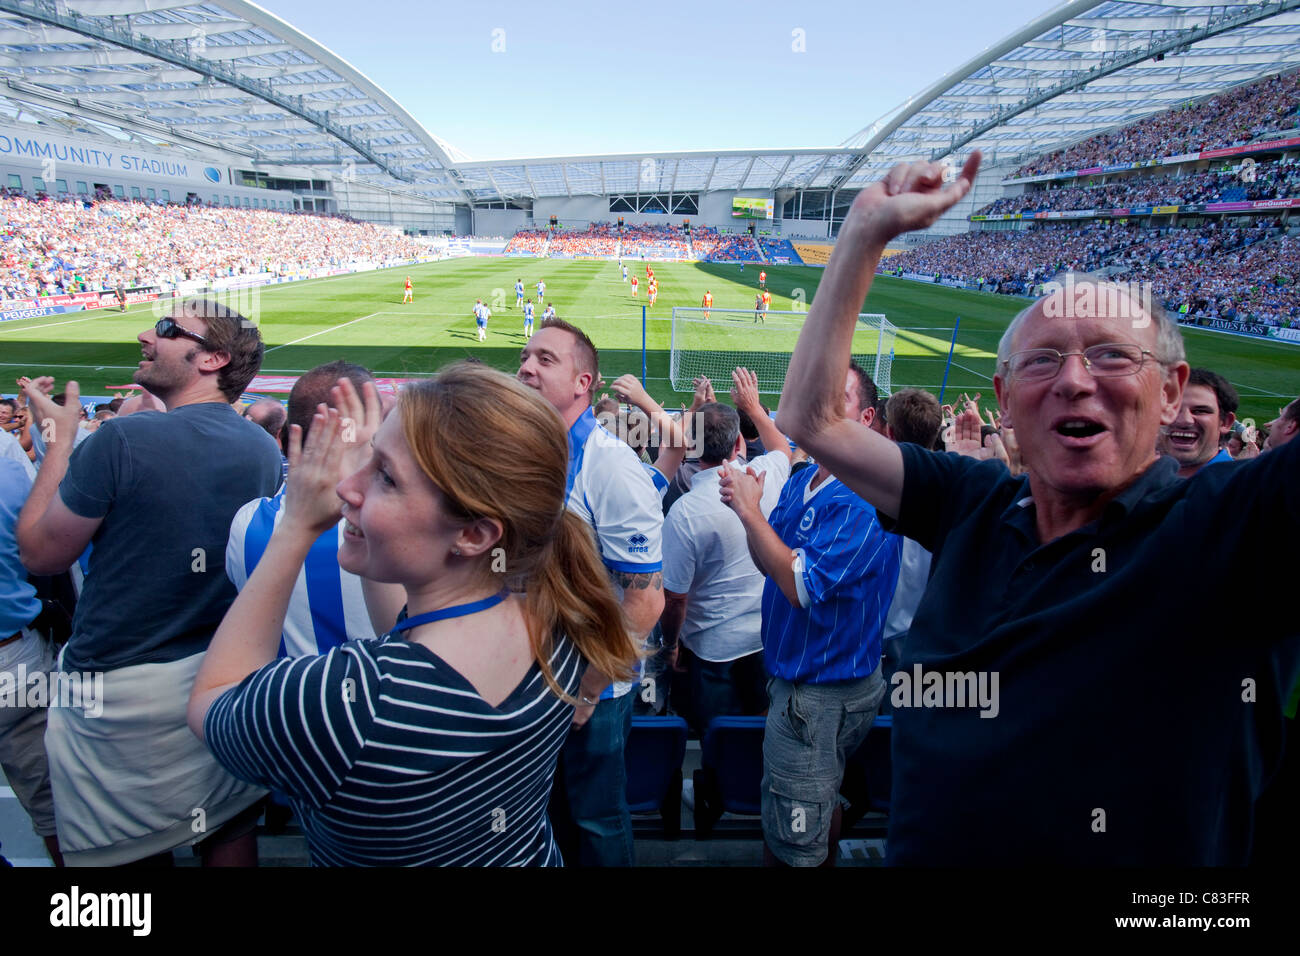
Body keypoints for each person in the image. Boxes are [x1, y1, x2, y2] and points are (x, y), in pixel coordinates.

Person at [775, 149, 1300, 865]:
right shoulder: (972, 501)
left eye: (1112, 355)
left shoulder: (1234, 525)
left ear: (1172, 392)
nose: (1075, 381)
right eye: (1043, 360)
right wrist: (863, 232)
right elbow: (811, 419)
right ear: (1004, 402)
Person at [190, 362, 639, 866]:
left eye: (384, 476)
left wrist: (294, 528)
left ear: (474, 535)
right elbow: (404, 630)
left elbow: (211, 700)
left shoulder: (340, 703)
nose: (345, 488)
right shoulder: (559, 624)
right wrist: (368, 492)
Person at [16, 299, 282, 866]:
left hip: (118, 681)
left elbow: (40, 553)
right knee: (228, 825)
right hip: (219, 671)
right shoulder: (260, 445)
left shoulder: (122, 440)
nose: (145, 334)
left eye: (166, 329)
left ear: (213, 357)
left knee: (119, 850)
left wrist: (60, 443)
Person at [722, 361, 901, 868]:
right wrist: (751, 514)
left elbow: (800, 585)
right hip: (805, 684)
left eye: (836, 397)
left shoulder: (865, 498)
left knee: (793, 841)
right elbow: (771, 562)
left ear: (865, 418)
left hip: (819, 693)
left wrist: (751, 512)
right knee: (814, 800)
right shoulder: (808, 479)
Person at [518, 317, 664, 867]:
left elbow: (645, 600)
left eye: (545, 360)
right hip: (531, 677)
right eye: (526, 357)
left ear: (584, 383)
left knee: (595, 820)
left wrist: (588, 691)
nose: (526, 367)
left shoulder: (613, 468)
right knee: (545, 816)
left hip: (588, 688)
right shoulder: (526, 454)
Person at [662, 368, 792, 734]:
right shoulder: (766, 473)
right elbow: (781, 447)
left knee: (716, 740)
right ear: (739, 445)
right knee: (757, 738)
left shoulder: (685, 512)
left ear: (692, 448)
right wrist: (753, 407)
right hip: (766, 640)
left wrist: (670, 646)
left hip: (709, 651)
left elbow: (674, 599)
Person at [227, 363, 378, 659]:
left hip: (278, 698)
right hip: (378, 699)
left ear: (281, 439)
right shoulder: (400, 532)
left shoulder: (247, 522)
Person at [0, 456, 62, 866]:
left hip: (14, 653)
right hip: (14, 656)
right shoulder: (6, 456)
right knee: (55, 805)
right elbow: (48, 549)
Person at [1159, 367, 1237, 477]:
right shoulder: (1137, 477)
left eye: (1200, 411)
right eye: (1173, 408)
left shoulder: (1239, 488)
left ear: (1225, 422)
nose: (1184, 421)